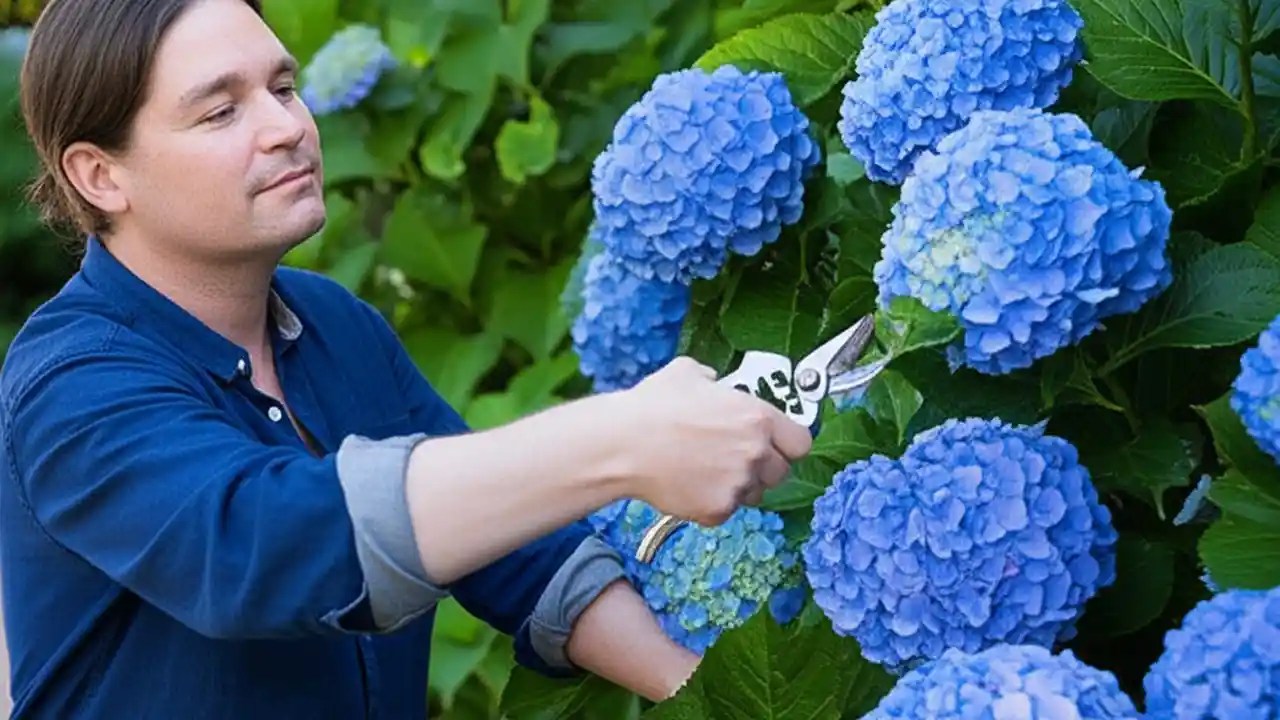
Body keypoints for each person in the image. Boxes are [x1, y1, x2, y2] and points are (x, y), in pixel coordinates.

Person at [0, 0, 814, 717]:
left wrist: (706, 695)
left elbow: (514, 556)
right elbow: (263, 546)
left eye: (283, 88)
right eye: (220, 113)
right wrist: (618, 443)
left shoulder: (334, 324)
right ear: (100, 175)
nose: (288, 126)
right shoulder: (72, 382)